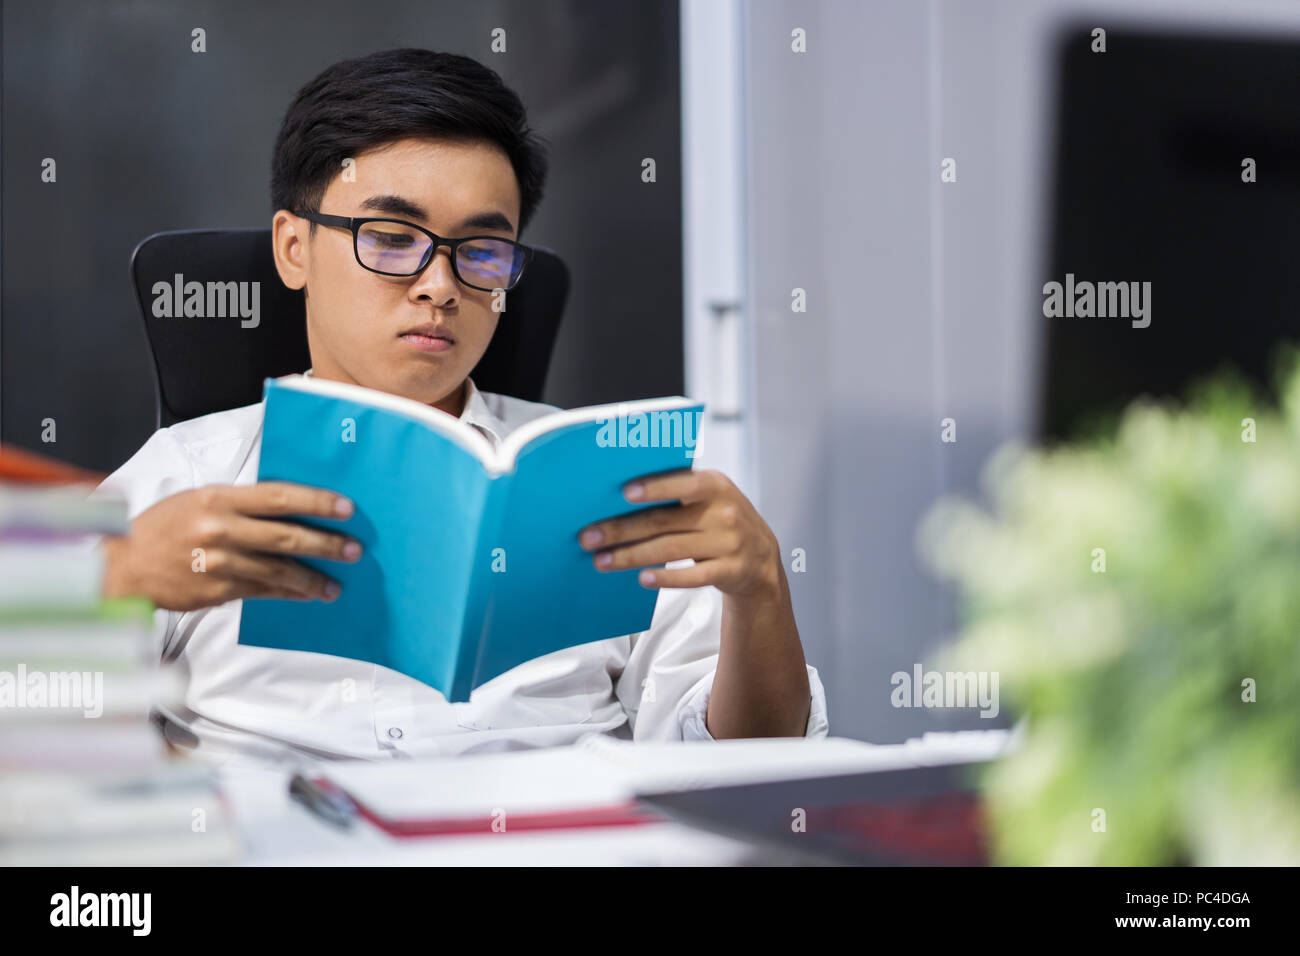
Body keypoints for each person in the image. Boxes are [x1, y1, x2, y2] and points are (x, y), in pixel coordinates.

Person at [95, 48, 828, 764]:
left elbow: (747, 761)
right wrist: (116, 582)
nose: (439, 286)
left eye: (481, 250)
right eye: (389, 238)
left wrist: (760, 592)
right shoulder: (189, 477)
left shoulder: (604, 480)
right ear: (294, 248)